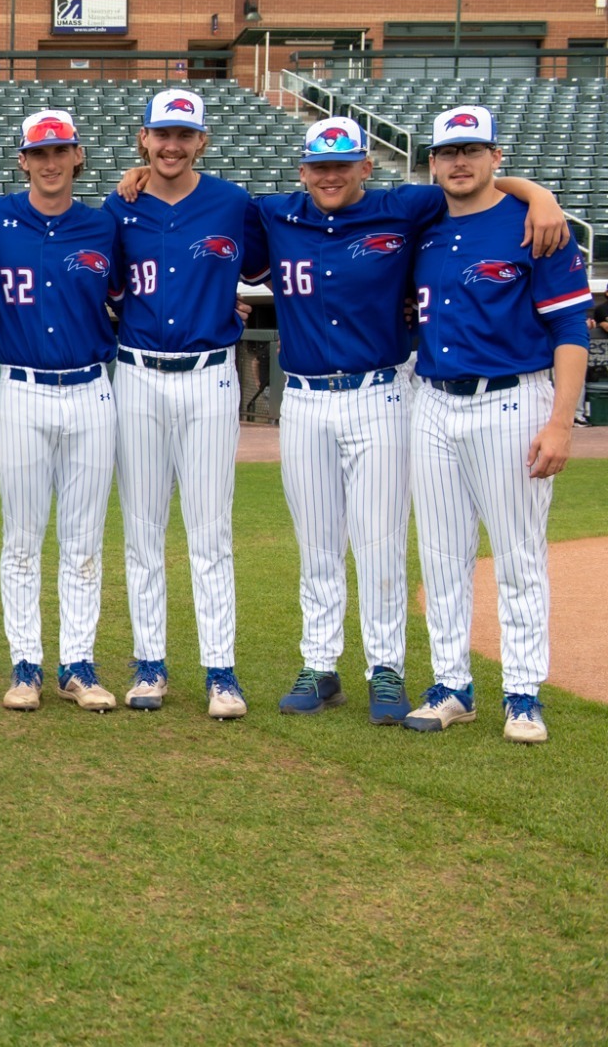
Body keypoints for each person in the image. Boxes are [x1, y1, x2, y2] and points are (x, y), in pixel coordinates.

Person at [197, 116, 566, 725]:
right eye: (320, 165)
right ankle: (320, 664)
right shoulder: (276, 214)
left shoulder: (406, 207)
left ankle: (386, 667)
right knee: (317, 544)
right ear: (303, 170)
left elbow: (475, 184)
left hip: (382, 392)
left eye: (343, 164)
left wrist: (539, 194)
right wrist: (136, 175)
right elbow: (193, 203)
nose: (331, 175)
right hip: (307, 398)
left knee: (380, 543)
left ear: (367, 167)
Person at [405, 105, 591, 744]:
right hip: (431, 400)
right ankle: (451, 685)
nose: (460, 162)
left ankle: (522, 694)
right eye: (449, 152)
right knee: (441, 555)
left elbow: (570, 329)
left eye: (473, 150)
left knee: (517, 556)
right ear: (432, 161)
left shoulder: (534, 225)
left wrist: (562, 422)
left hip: (513, 400)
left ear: (495, 157)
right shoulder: (423, 221)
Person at [100, 90, 263, 714]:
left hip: (208, 374)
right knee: (142, 529)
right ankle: (150, 665)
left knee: (209, 530)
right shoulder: (120, 205)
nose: (172, 145)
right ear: (143, 138)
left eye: (184, 134)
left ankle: (220, 670)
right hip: (137, 373)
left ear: (203, 140)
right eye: (161, 134)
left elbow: (277, 260)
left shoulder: (233, 203)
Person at [0, 112, 124, 714]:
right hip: (24, 390)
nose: (51, 161)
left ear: (78, 156)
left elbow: (147, 289)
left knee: (84, 538)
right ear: (23, 161)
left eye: (61, 151)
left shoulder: (105, 225)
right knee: (23, 537)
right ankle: (25, 663)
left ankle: (78, 663)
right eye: (39, 152)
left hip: (91, 388)